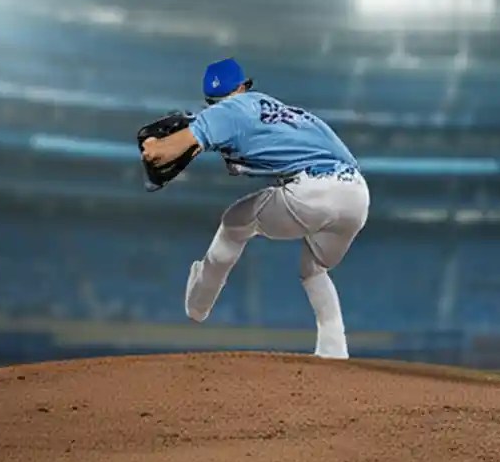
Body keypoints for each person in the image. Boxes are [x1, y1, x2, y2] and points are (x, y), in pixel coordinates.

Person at [142, 57, 369, 359]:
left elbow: (163, 154)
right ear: (244, 85)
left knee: (234, 223)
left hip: (312, 192)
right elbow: (345, 157)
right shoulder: (294, 114)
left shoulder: (224, 111)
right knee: (314, 268)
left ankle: (198, 305)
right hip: (355, 194)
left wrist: (152, 147)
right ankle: (334, 350)